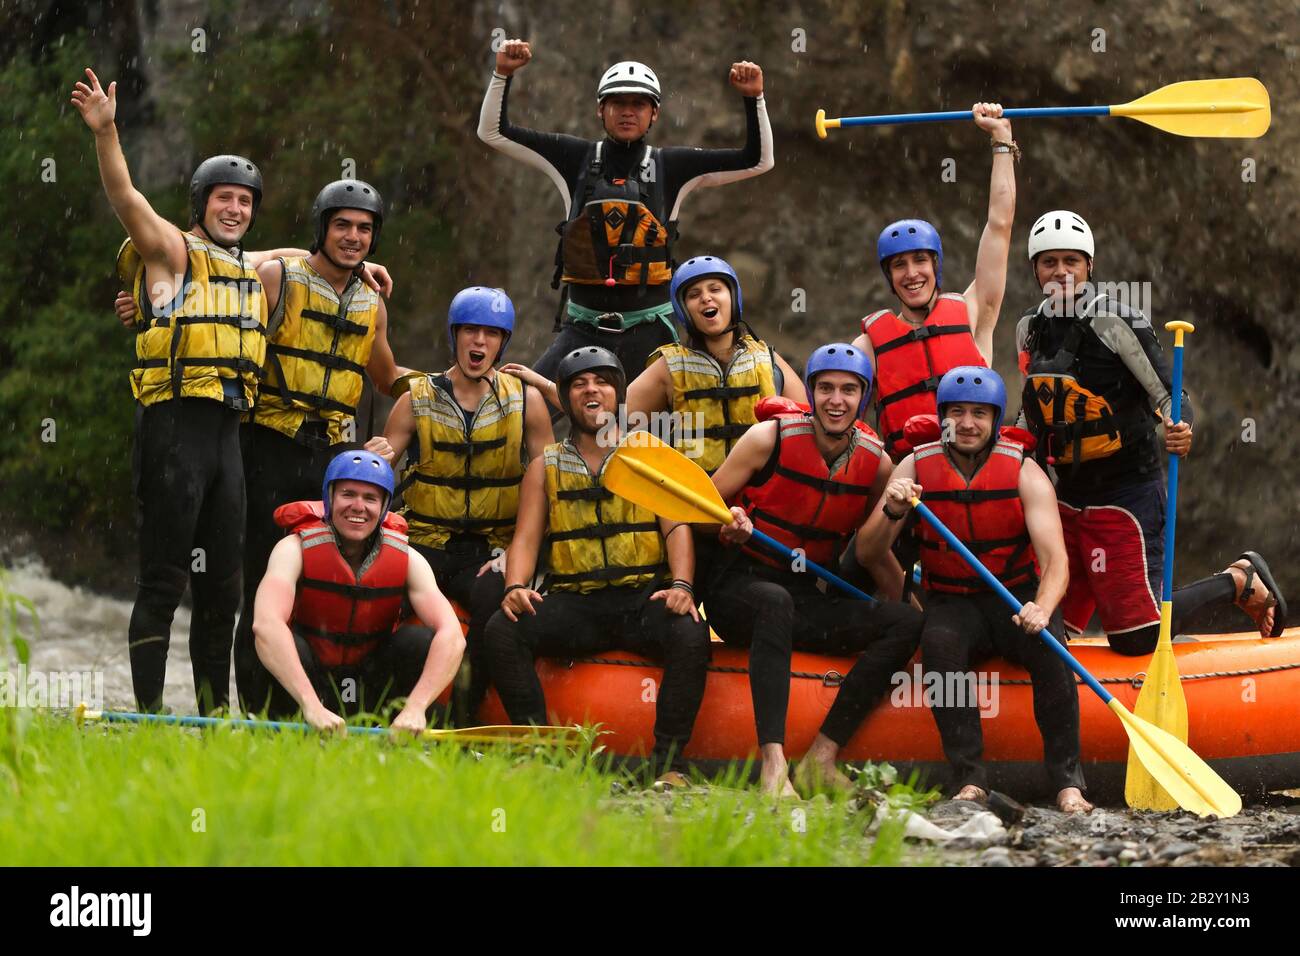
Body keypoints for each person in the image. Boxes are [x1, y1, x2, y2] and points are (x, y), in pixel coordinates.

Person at [74, 67, 280, 713]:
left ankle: (214, 719)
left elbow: (306, 254)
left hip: (226, 437)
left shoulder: (252, 268)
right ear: (201, 205)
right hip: (173, 432)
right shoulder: (170, 252)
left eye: (244, 202)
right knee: (164, 581)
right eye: (223, 198)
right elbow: (126, 197)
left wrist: (366, 263)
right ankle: (148, 714)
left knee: (222, 589)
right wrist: (107, 133)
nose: (234, 209)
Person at [1017, 210, 1287, 651]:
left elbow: (1171, 397)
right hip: (1063, 497)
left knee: (1139, 637)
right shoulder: (1029, 328)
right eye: (1049, 262)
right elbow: (1034, 411)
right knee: (1044, 635)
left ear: (1090, 266)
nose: (1061, 272)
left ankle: (1238, 579)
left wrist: (1179, 428)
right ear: (1035, 268)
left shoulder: (1118, 321)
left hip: (1127, 493)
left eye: (1072, 261)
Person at [478, 40, 773, 403]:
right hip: (582, 329)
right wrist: (502, 74)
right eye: (618, 103)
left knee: (671, 427)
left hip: (651, 332)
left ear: (655, 114)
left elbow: (757, 160)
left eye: (639, 104)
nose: (628, 112)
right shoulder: (574, 159)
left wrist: (753, 98)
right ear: (601, 110)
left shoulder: (673, 166)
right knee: (521, 411)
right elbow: (493, 133)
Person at [857, 366, 1091, 813]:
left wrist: (1041, 609)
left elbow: (1057, 562)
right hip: (953, 601)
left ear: (995, 419)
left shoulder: (1024, 471)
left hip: (1016, 597)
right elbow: (868, 551)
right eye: (957, 413)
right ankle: (970, 777)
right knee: (939, 644)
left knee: (1050, 652)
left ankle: (1068, 782)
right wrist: (890, 508)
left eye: (979, 414)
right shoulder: (914, 466)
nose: (967, 423)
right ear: (942, 416)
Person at [706, 344, 923, 798]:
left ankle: (821, 758)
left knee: (906, 623)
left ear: (862, 398)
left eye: (848, 390)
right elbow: (700, 507)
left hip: (807, 597)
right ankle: (773, 763)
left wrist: (920, 615)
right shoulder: (769, 438)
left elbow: (870, 550)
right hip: (739, 590)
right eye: (825, 388)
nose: (835, 400)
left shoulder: (876, 464)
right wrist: (730, 521)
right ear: (811, 393)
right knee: (773, 601)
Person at [483, 347, 710, 779]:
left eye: (602, 382)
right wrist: (515, 587)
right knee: (501, 629)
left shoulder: (648, 453)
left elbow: (675, 528)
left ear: (617, 394)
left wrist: (682, 586)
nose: (592, 390)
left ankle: (668, 766)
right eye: (580, 384)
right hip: (578, 603)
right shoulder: (544, 467)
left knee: (689, 633)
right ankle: (541, 752)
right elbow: (526, 538)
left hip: (642, 600)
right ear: (565, 398)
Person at [376, 287, 554, 725]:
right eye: (470, 331)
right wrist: (378, 456)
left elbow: (554, 482)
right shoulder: (416, 398)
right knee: (378, 603)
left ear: (503, 342)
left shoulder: (527, 402)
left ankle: (461, 718)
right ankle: (375, 709)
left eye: (491, 334)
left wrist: (521, 554)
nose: (479, 342)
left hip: (492, 550)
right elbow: (382, 467)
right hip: (426, 542)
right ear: (454, 336)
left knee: (495, 614)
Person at [253, 450, 465, 733]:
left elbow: (451, 635)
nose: (358, 506)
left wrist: (416, 707)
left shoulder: (408, 558)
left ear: (385, 507)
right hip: (310, 680)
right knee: (264, 636)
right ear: (329, 498)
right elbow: (266, 626)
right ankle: (281, 725)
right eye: (348, 494)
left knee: (419, 640)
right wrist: (311, 705)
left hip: (371, 685)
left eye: (370, 499)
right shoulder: (292, 550)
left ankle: (401, 724)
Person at [850, 104, 1017, 462]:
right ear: (889, 278)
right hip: (912, 484)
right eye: (899, 265)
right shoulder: (867, 346)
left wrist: (1002, 141)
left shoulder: (973, 310)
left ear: (935, 266)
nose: (912, 273)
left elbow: (1000, 227)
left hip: (979, 473)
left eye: (920, 261)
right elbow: (840, 416)